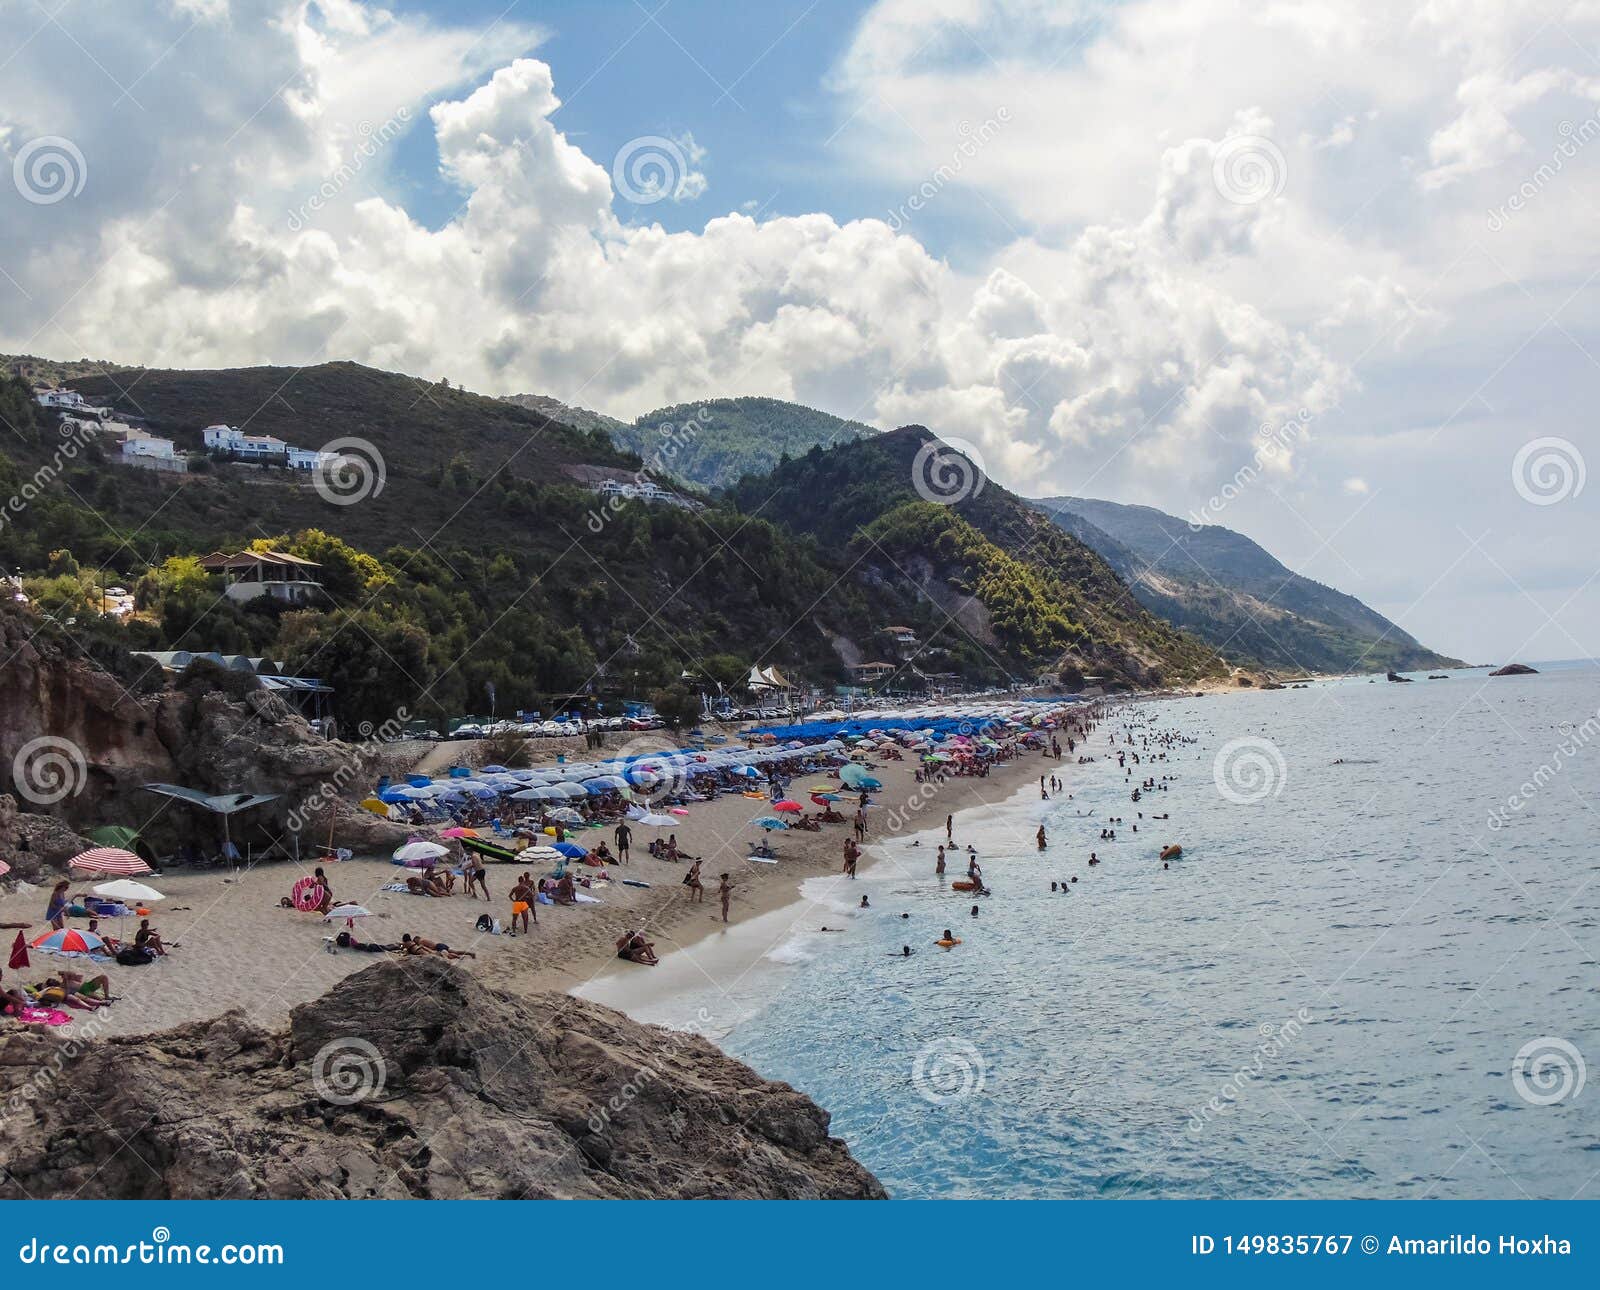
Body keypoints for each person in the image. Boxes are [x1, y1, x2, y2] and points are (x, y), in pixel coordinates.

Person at [400, 933, 475, 960]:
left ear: (417, 940)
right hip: (440, 945)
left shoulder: (421, 942)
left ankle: (459, 957)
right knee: (456, 951)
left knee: (447, 955)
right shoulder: (423, 940)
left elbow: (421, 947)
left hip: (439, 947)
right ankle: (470, 953)